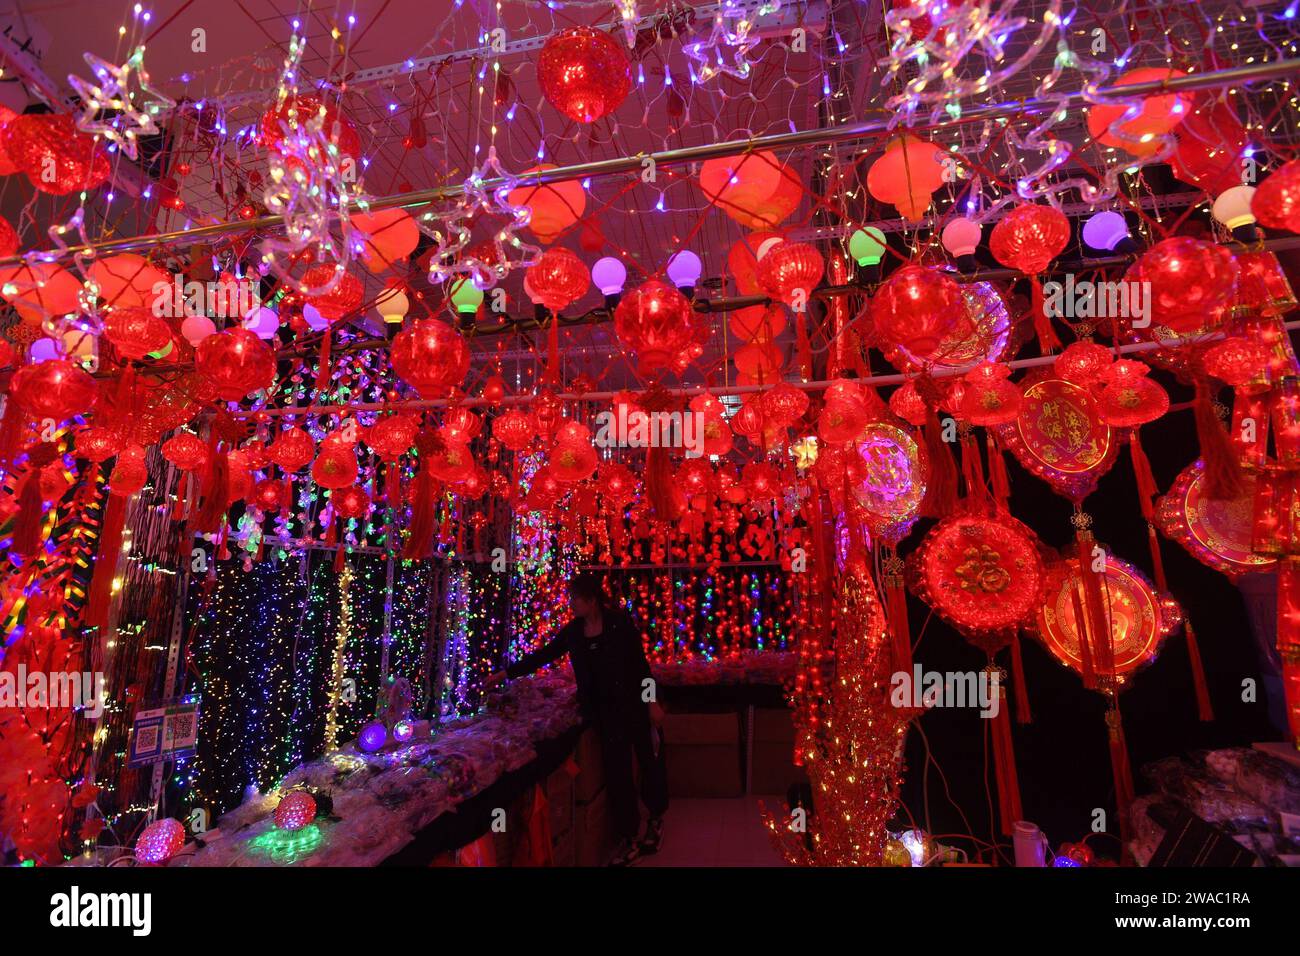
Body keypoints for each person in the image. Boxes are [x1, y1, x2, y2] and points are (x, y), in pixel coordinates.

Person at [487, 571, 668, 865]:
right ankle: (629, 837)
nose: (570, 604)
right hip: (605, 715)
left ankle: (656, 818)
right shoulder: (574, 632)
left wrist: (651, 704)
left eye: (575, 599)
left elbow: (641, 667)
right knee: (618, 774)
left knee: (648, 761)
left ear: (591, 600)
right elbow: (543, 655)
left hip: (634, 705)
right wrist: (506, 673)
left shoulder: (619, 625)